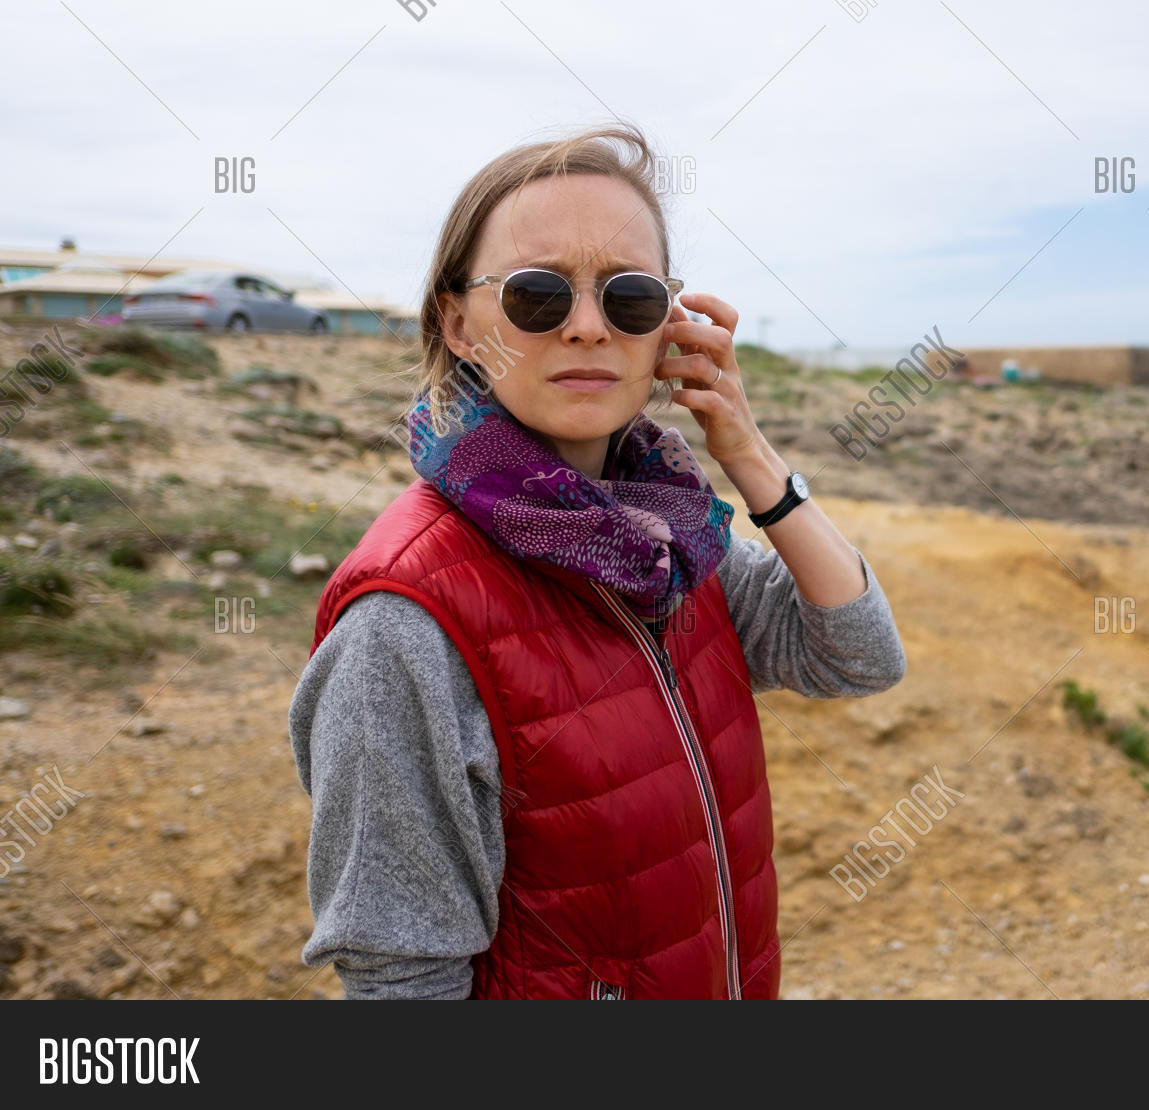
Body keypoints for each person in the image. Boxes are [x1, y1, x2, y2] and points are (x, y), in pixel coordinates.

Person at [287, 122, 906, 999]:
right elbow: (401, 978)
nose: (587, 328)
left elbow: (858, 657)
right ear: (459, 325)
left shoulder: (674, 537)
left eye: (630, 299)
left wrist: (749, 453)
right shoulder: (403, 622)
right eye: (539, 296)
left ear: (669, 330)